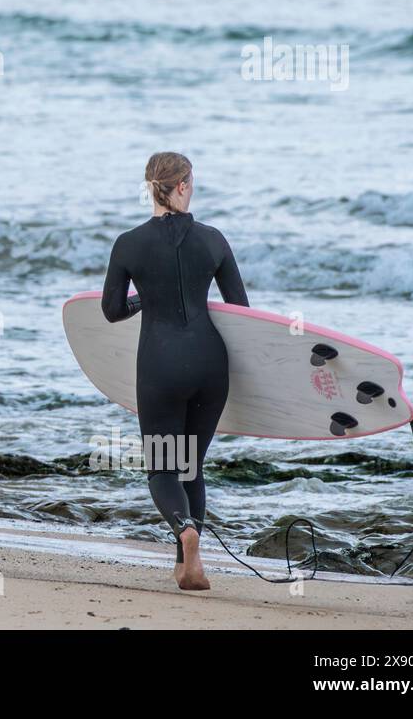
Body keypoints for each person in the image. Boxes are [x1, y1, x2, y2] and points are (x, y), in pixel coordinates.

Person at [100, 152, 248, 590]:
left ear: (151, 187)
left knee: (164, 467)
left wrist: (144, 300)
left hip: (159, 365)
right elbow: (241, 312)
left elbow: (110, 310)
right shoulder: (214, 239)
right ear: (182, 186)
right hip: (210, 364)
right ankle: (187, 563)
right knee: (192, 467)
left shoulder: (128, 243)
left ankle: (185, 532)